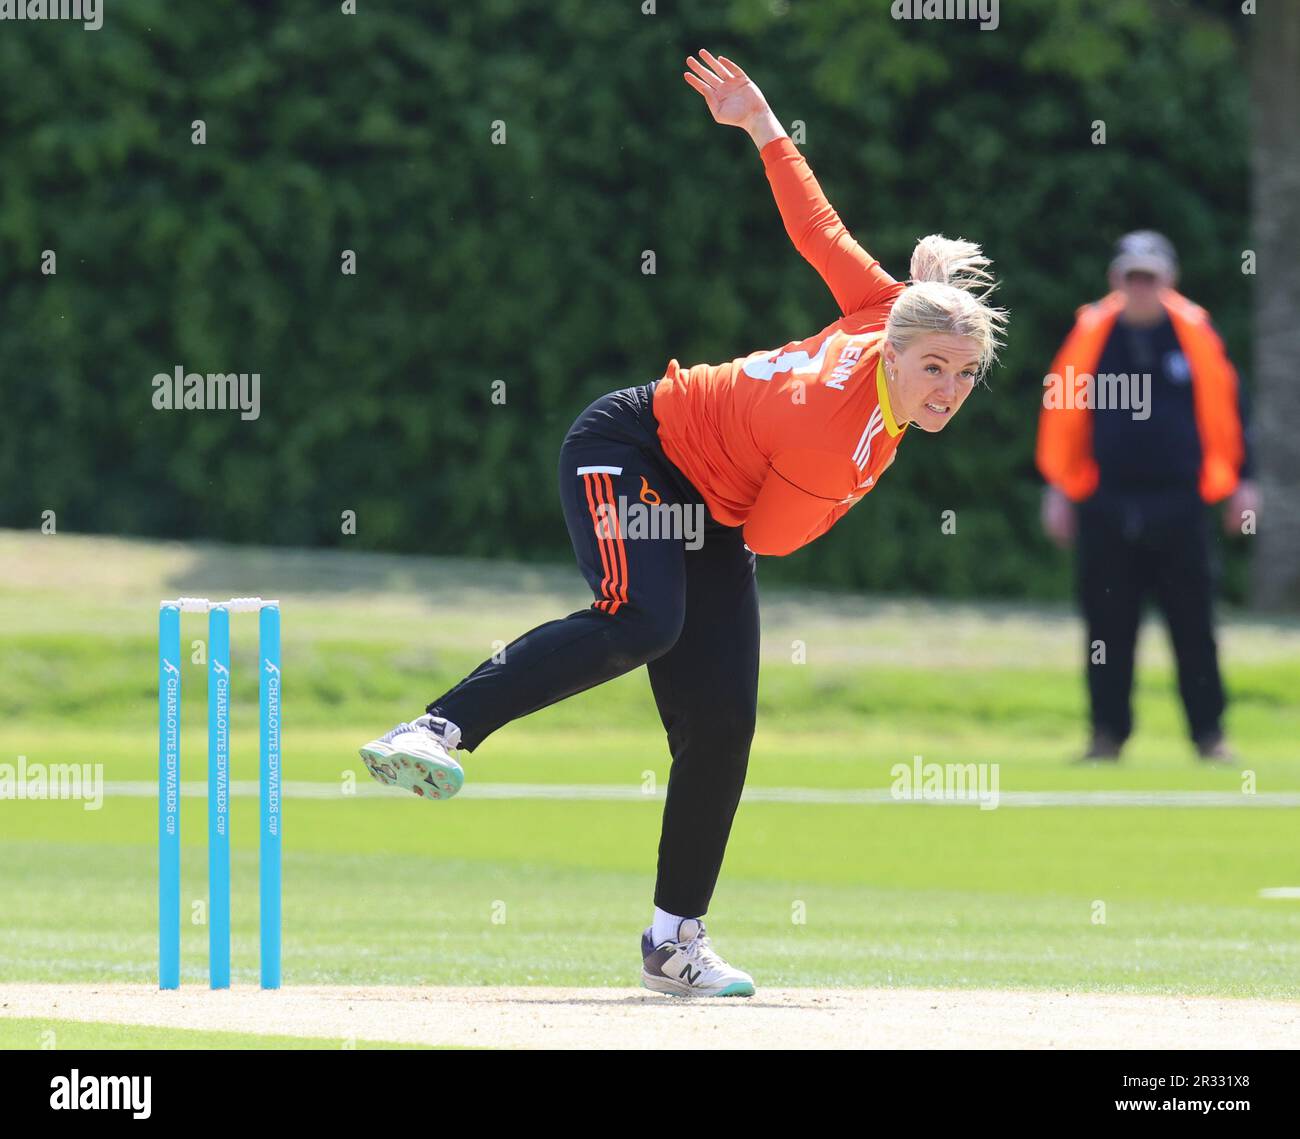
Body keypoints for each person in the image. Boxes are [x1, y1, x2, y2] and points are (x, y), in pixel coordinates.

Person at [359, 50, 1007, 996]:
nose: (947, 391)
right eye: (935, 370)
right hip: (635, 448)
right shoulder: (841, 437)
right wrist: (861, 471)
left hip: (716, 503)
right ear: (897, 353)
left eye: (964, 374)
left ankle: (674, 942)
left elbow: (816, 228)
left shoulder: (882, 312)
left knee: (724, 721)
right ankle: (438, 729)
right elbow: (777, 537)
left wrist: (762, 124)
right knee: (642, 619)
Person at [1037, 231, 1256, 764]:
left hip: (1180, 505)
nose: (1139, 287)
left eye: (1149, 277)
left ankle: (1210, 738)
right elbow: (1063, 419)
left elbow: (1230, 413)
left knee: (1194, 627)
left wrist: (1243, 484)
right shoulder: (1091, 337)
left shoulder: (1195, 340)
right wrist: (1058, 489)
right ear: (1116, 280)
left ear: (1168, 281)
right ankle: (1106, 737)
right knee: (1107, 629)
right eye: (1130, 276)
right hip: (1105, 502)